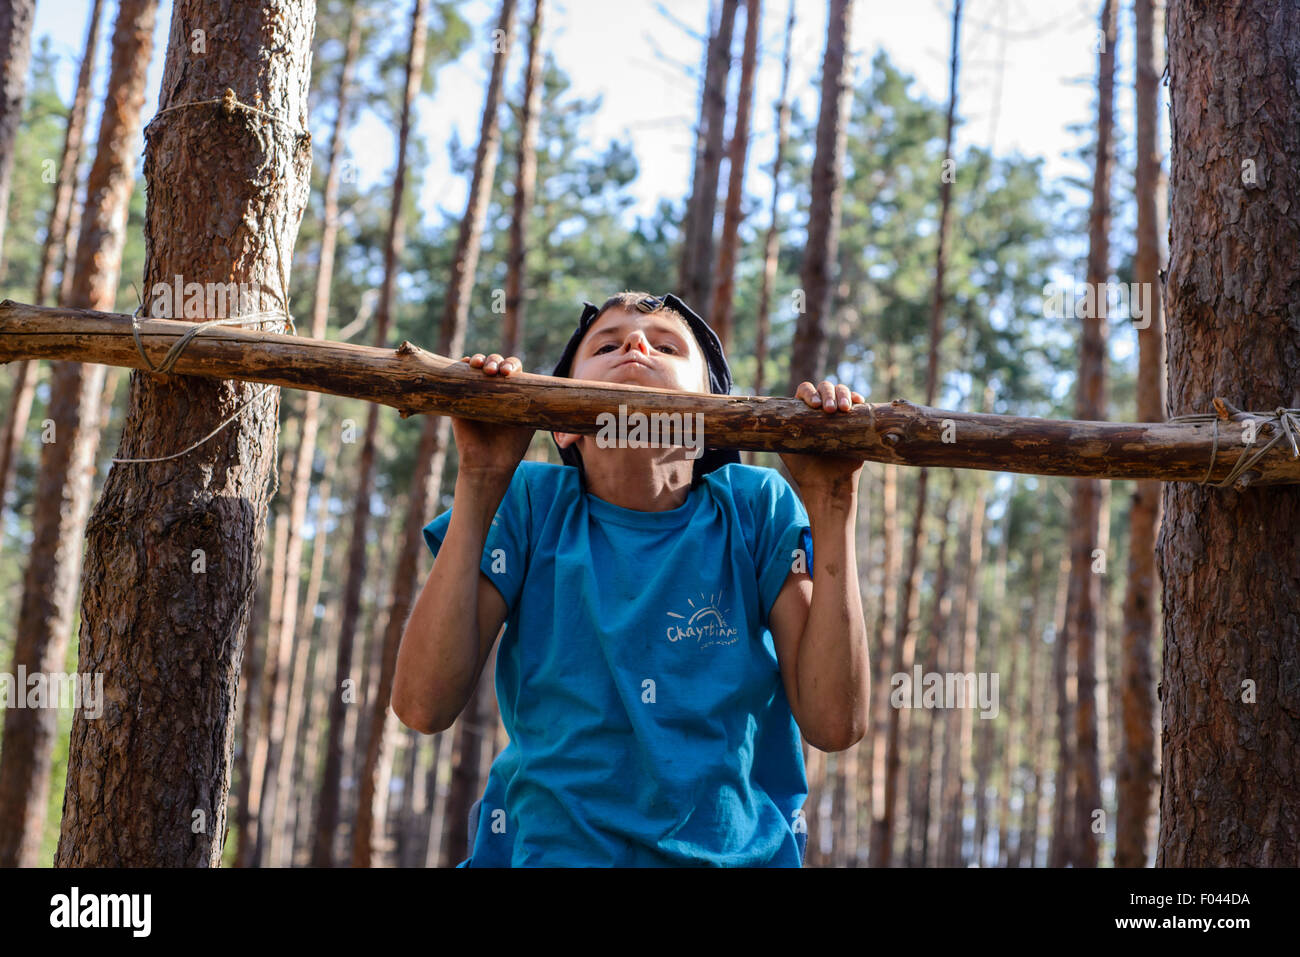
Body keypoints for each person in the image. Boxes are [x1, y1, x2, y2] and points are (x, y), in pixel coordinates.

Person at [393, 291, 870, 866]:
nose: (637, 344)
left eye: (665, 345)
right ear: (562, 426)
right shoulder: (529, 502)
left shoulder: (754, 508)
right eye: (608, 344)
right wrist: (480, 477)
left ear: (711, 420)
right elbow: (422, 706)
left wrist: (833, 506)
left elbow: (835, 723)